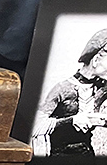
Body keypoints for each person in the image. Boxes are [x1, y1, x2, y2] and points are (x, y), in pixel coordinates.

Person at [32, 28, 107, 156]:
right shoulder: (62, 88)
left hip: (88, 157)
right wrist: (72, 121)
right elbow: (35, 126)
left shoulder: (101, 88)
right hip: (59, 159)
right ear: (96, 59)